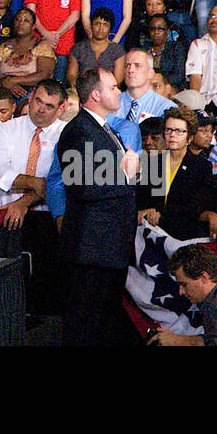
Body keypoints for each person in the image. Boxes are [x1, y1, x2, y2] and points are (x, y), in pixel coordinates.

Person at [59, 68, 140, 346]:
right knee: (85, 326)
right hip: (92, 249)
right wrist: (130, 175)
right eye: (113, 87)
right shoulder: (79, 131)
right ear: (96, 94)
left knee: (104, 325)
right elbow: (82, 185)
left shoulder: (102, 128)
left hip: (108, 247)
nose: (119, 91)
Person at [0, 79, 68, 316]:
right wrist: (34, 182)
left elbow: (59, 184)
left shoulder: (67, 134)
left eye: (49, 106)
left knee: (43, 301)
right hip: (4, 220)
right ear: (30, 99)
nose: (40, 109)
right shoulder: (7, 129)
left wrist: (23, 202)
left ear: (61, 108)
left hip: (45, 224)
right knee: (3, 300)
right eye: (37, 101)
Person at [137, 108, 217, 241]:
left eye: (179, 131)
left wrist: (161, 214)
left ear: (190, 137)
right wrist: (145, 211)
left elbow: (196, 206)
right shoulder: (152, 163)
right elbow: (142, 199)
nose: (172, 135)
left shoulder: (201, 166)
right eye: (168, 130)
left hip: (184, 236)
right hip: (151, 237)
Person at [0, 8, 50, 99]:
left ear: (33, 26)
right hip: (3, 89)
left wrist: (13, 81)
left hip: (29, 92)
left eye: (26, 21)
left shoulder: (42, 46)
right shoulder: (4, 46)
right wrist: (6, 84)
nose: (20, 23)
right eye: (17, 20)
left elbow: (44, 75)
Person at [68, 7, 128, 87]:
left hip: (108, 93)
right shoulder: (78, 49)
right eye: (97, 24)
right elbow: (71, 76)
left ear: (110, 28)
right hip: (82, 92)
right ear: (91, 25)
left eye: (105, 25)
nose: (101, 28)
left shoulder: (118, 51)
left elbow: (118, 81)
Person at [142, 13, 188, 93]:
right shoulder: (144, 49)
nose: (156, 32)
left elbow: (179, 75)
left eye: (160, 29)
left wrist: (158, 84)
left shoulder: (176, 48)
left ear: (167, 31)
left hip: (171, 88)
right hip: (147, 88)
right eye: (152, 29)